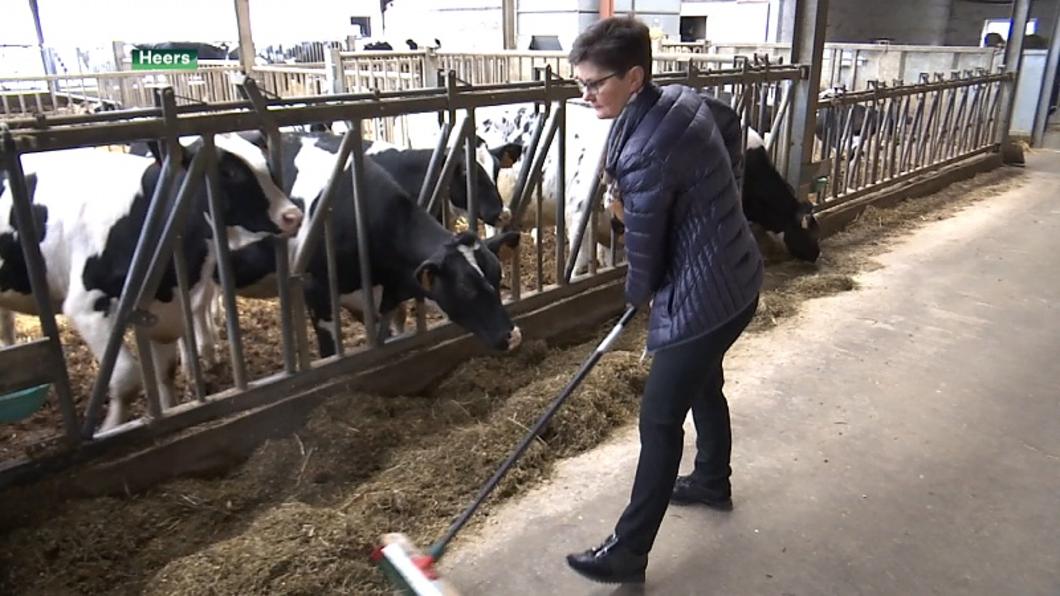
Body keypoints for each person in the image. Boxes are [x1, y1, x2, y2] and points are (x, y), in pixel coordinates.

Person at [563, 16, 764, 584]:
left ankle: (628, 550)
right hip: (735, 271)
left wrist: (637, 298)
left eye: (594, 84)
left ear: (633, 76)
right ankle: (712, 480)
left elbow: (644, 251)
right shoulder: (678, 100)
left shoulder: (646, 150)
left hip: (707, 293)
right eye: (579, 84)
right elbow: (728, 125)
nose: (585, 95)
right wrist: (716, 200)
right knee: (703, 382)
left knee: (658, 419)